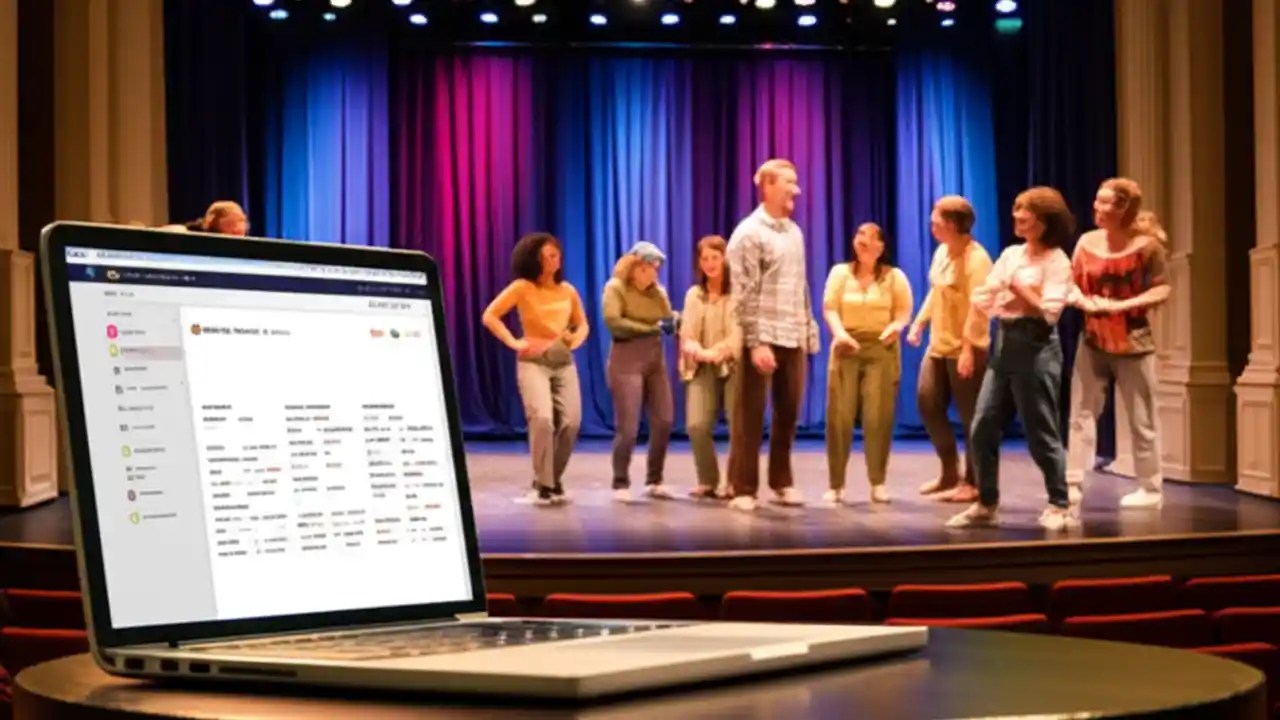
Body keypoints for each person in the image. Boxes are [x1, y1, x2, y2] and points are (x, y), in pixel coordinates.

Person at [946, 187, 1076, 531]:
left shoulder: (1057, 261)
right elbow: (985, 296)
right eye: (1016, 208)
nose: (1017, 215)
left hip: (1036, 348)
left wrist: (1020, 291)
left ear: (1045, 220)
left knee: (1041, 431)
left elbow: (1050, 312)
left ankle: (1059, 503)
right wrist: (1013, 296)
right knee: (982, 426)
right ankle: (986, 503)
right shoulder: (1011, 254)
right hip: (1004, 344)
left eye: (1025, 211)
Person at [1066, 178, 1170, 511]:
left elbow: (1162, 288)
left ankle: (1150, 488)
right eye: (1097, 200)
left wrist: (1121, 306)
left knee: (1141, 419)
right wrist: (1084, 302)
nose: (1096, 207)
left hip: (1133, 343)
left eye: (1105, 202)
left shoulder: (1147, 247)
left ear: (1124, 207)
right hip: (1093, 339)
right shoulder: (1087, 242)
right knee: (1081, 413)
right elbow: (1071, 282)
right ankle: (1072, 482)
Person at [724, 158, 820, 512]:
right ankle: (743, 488)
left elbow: (801, 285)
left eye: (796, 181)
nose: (796, 189)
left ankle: (782, 482)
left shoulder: (794, 232)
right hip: (762, 336)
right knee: (750, 415)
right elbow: (743, 293)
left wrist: (808, 328)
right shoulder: (748, 233)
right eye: (788, 182)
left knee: (788, 413)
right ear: (767, 186)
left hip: (792, 333)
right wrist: (755, 341)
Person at [481, 232, 588, 506]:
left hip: (563, 362)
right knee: (542, 419)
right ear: (535, 259)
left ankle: (551, 480)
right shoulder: (522, 287)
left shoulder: (567, 291)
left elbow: (582, 324)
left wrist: (574, 341)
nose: (556, 259)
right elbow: (490, 315)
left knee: (572, 422)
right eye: (549, 255)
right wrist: (514, 342)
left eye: (557, 254)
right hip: (533, 362)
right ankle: (543, 485)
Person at [908, 196, 994, 505]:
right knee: (928, 403)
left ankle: (974, 482)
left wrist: (969, 349)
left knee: (972, 417)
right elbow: (937, 292)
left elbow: (979, 308)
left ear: (954, 224)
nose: (932, 225)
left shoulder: (977, 260)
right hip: (939, 346)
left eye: (937, 220)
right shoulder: (942, 252)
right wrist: (920, 322)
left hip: (966, 348)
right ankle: (948, 472)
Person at [822, 223, 913, 505]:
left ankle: (878, 482)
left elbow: (903, 312)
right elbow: (830, 308)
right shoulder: (840, 273)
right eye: (859, 234)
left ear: (881, 247)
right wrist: (840, 334)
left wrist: (896, 327)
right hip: (846, 345)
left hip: (880, 348)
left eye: (870, 236)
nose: (863, 240)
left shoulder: (894, 277)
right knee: (840, 417)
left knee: (877, 417)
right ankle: (836, 485)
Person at [603, 241, 679, 502]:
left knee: (664, 420)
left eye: (657, 268)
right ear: (635, 267)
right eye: (650, 267)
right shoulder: (616, 288)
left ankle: (655, 479)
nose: (655, 273)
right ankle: (620, 481)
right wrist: (652, 328)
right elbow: (615, 323)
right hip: (626, 363)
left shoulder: (658, 293)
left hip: (654, 362)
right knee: (629, 427)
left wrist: (675, 321)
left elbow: (667, 321)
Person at [680, 235, 741, 499]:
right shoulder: (694, 295)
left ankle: (736, 482)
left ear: (725, 259)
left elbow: (738, 333)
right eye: (704, 259)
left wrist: (718, 352)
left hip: (733, 366)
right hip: (701, 365)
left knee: (738, 426)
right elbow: (687, 332)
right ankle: (708, 480)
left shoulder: (737, 294)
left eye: (715, 258)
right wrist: (697, 350)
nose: (709, 264)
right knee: (696, 424)